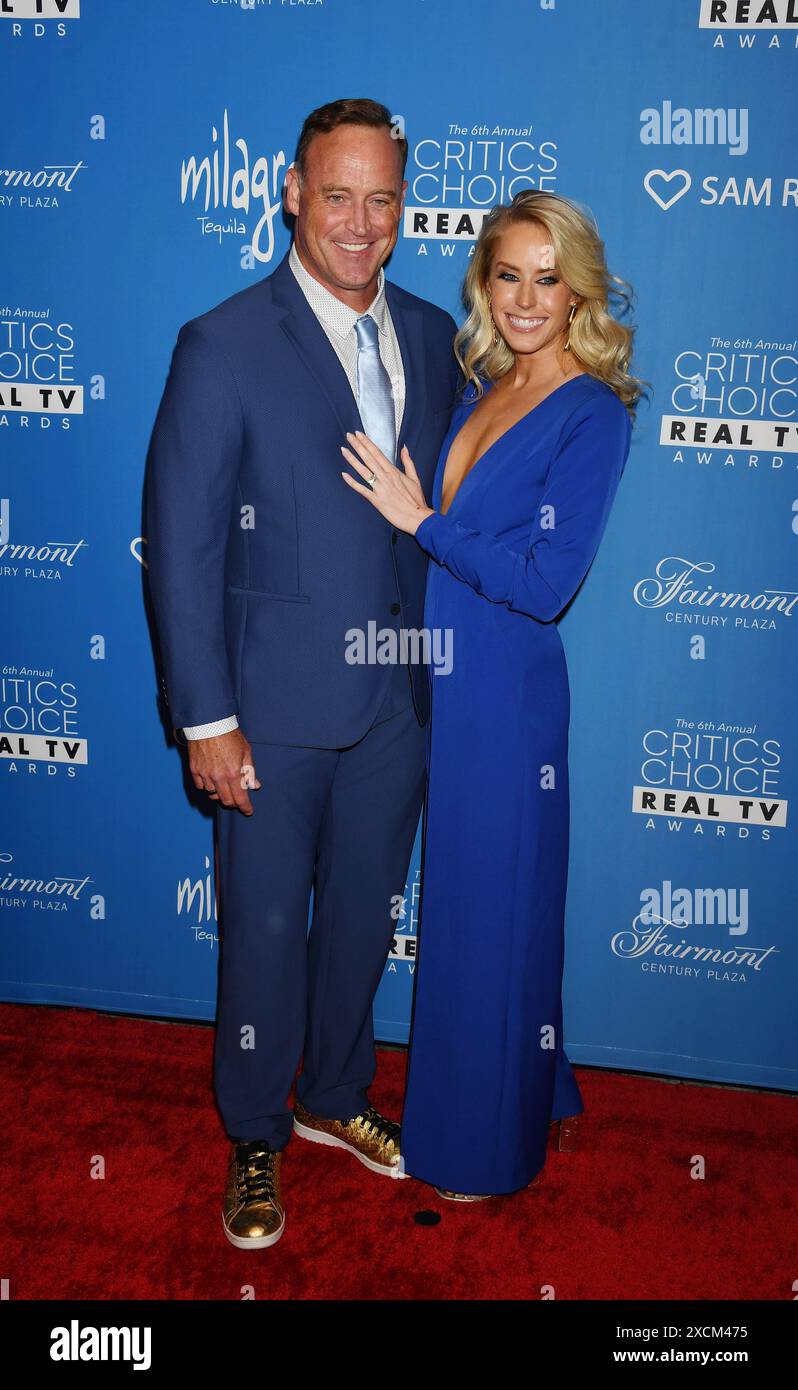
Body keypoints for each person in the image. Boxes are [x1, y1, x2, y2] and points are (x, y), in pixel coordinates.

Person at [145, 97, 460, 1248]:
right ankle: (253, 1137)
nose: (359, 224)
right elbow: (180, 544)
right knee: (265, 930)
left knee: (366, 920)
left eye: (382, 199)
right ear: (291, 191)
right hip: (268, 710)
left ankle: (334, 1095)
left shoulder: (430, 333)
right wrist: (206, 719)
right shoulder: (221, 342)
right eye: (338, 195)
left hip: (398, 696)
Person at [340, 189, 644, 1200]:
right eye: (506, 274)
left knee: (488, 914)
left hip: (510, 702)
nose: (524, 297)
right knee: (486, 905)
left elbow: (548, 583)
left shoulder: (593, 415)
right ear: (486, 284)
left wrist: (423, 519)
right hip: (445, 682)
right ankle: (532, 1084)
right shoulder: (481, 386)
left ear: (578, 294)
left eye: (546, 278)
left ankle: (481, 1146)